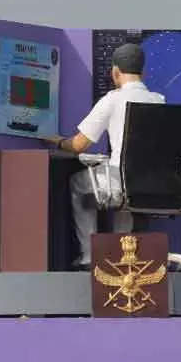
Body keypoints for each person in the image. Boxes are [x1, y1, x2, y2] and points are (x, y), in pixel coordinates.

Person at [43, 42, 164, 268]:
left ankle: (88, 256)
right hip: (153, 183)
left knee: (78, 183)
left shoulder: (112, 99)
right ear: (143, 72)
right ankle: (121, 254)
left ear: (115, 72)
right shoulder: (159, 101)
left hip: (121, 181)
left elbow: (79, 145)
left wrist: (57, 140)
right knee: (127, 191)